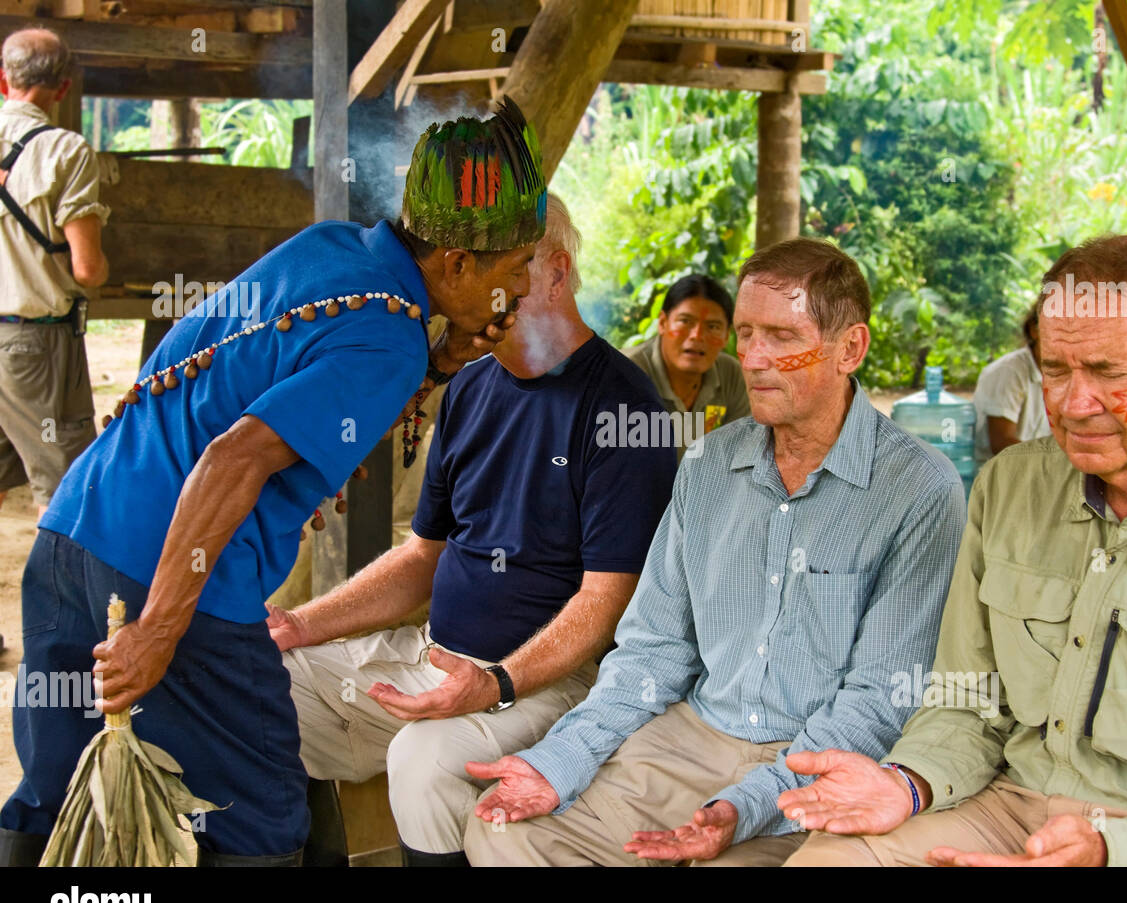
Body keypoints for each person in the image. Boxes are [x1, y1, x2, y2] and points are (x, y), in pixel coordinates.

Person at [0, 97, 547, 867]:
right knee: (260, 821)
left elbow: (293, 396)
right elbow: (232, 459)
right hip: (179, 577)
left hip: (75, 533)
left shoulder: (332, 251)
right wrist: (159, 630)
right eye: (517, 265)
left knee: (53, 794)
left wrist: (437, 364)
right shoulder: (388, 337)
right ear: (456, 264)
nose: (523, 289)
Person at [780, 236, 1127, 867]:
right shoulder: (1010, 487)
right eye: (1055, 370)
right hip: (1004, 803)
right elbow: (966, 700)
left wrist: (1113, 850)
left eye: (1108, 372)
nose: (1074, 405)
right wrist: (907, 783)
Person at [462, 238, 966, 867]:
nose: (752, 358)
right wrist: (563, 758)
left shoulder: (920, 489)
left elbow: (878, 700)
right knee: (507, 833)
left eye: (781, 336)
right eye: (747, 333)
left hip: (816, 762)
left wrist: (745, 804)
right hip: (690, 735)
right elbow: (653, 648)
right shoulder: (706, 465)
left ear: (851, 349)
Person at [271, 194, 675, 867]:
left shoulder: (626, 408)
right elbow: (423, 556)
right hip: (432, 654)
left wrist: (497, 683)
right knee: (261, 681)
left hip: (551, 682)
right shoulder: (467, 387)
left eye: (505, 272)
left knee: (425, 759)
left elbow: (607, 604)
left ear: (553, 271)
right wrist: (302, 625)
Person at [0, 29, 109, 525]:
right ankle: (60, 604)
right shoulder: (65, 151)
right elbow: (87, 270)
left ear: (4, 81)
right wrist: (101, 270)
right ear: (63, 88)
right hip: (34, 347)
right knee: (66, 487)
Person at [623, 274, 749, 461]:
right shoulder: (624, 374)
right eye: (685, 321)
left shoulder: (732, 375)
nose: (697, 336)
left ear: (726, 336)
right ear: (663, 323)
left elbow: (739, 455)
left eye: (712, 326)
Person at [972, 306, 1049, 467]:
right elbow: (1001, 443)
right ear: (1034, 330)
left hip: (1032, 472)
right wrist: (1052, 466)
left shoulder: (1061, 374)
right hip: (997, 477)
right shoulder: (1009, 371)